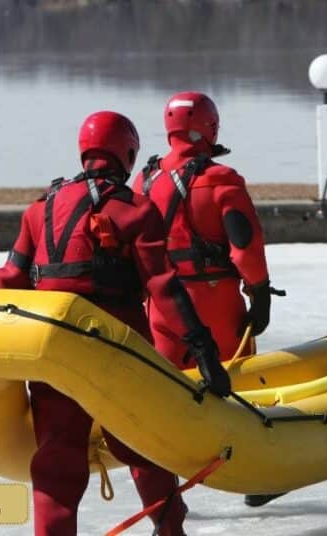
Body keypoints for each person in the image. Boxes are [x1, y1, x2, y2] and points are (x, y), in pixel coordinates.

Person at [0, 110, 231, 535]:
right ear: (128, 153)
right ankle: (169, 529)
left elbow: (9, 281)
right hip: (119, 349)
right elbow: (163, 286)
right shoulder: (135, 210)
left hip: (53, 349)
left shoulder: (39, 209)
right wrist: (204, 349)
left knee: (57, 460)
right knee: (144, 446)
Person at [133, 91, 273, 370]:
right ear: (211, 126)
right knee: (235, 386)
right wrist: (261, 295)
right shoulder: (222, 180)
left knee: (169, 387)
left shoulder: (143, 181)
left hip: (162, 306)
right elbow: (246, 249)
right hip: (215, 303)